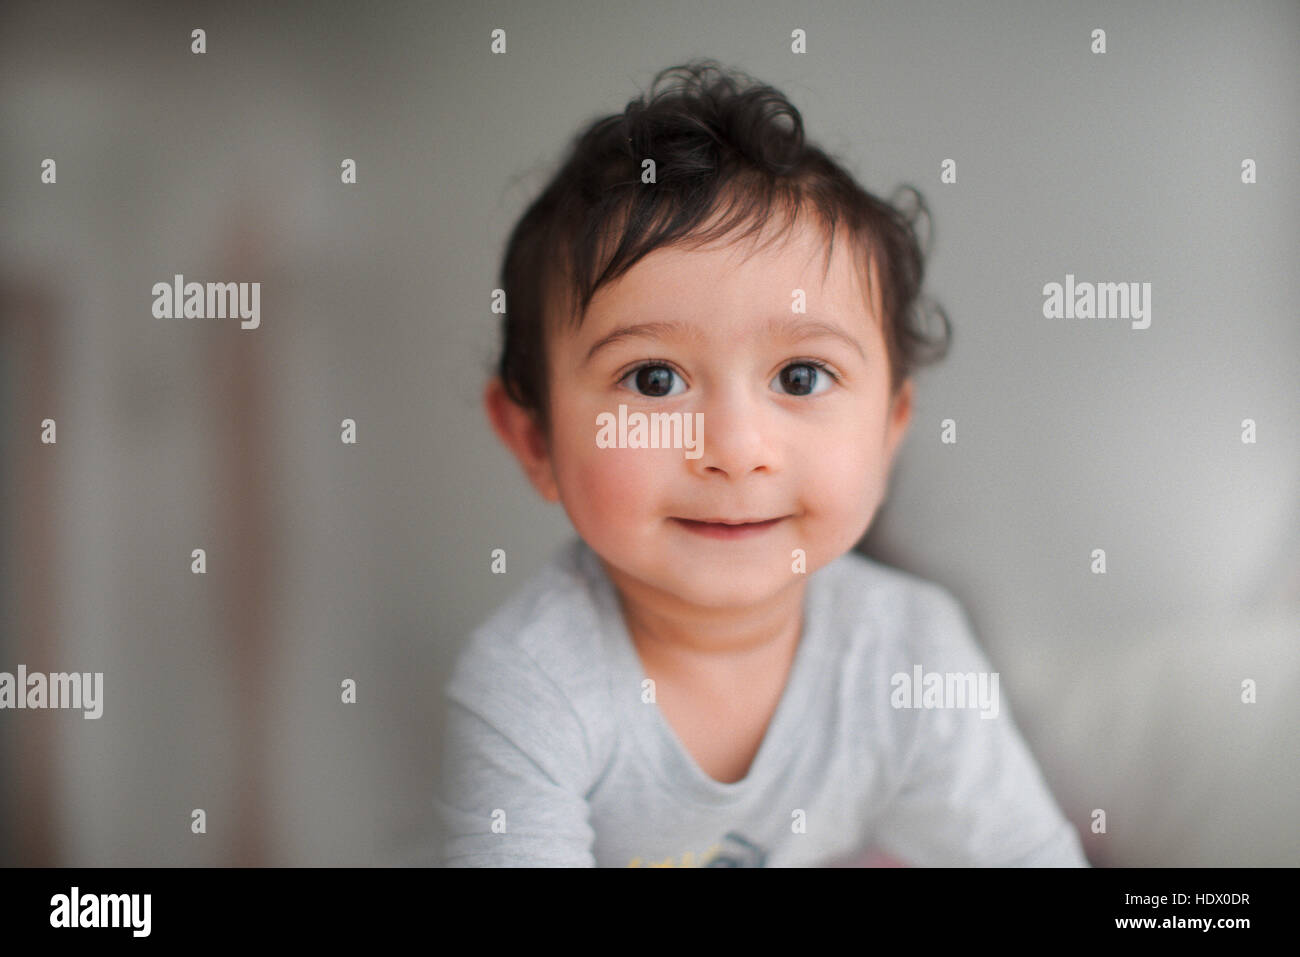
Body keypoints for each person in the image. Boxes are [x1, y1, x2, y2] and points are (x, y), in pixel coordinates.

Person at [435, 60, 1087, 867]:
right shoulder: (531, 688)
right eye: (654, 378)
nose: (737, 450)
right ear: (535, 441)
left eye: (801, 376)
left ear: (890, 428)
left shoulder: (911, 650)